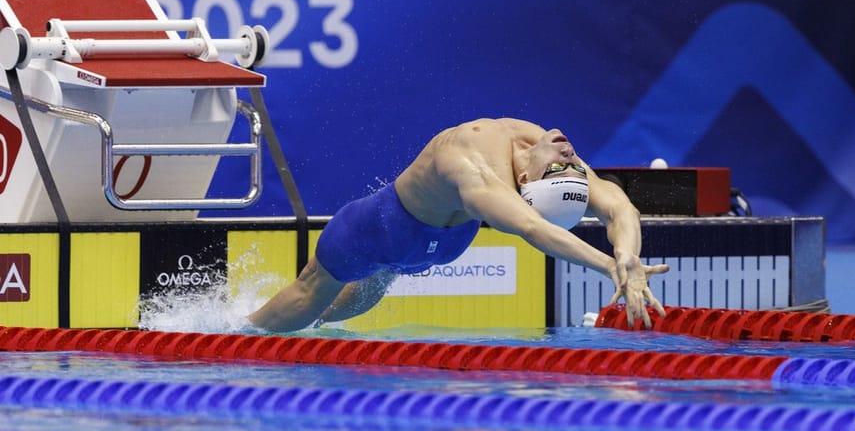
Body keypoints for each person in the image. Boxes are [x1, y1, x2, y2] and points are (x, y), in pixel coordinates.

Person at [248, 117, 668, 332]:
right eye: (570, 165)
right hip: (387, 228)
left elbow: (582, 217)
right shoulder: (491, 151)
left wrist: (623, 259)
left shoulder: (504, 170)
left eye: (564, 165)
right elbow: (569, 218)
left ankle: (268, 331)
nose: (570, 156)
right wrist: (616, 262)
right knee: (314, 296)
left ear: (527, 180)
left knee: (335, 299)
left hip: (412, 235)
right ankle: (240, 331)